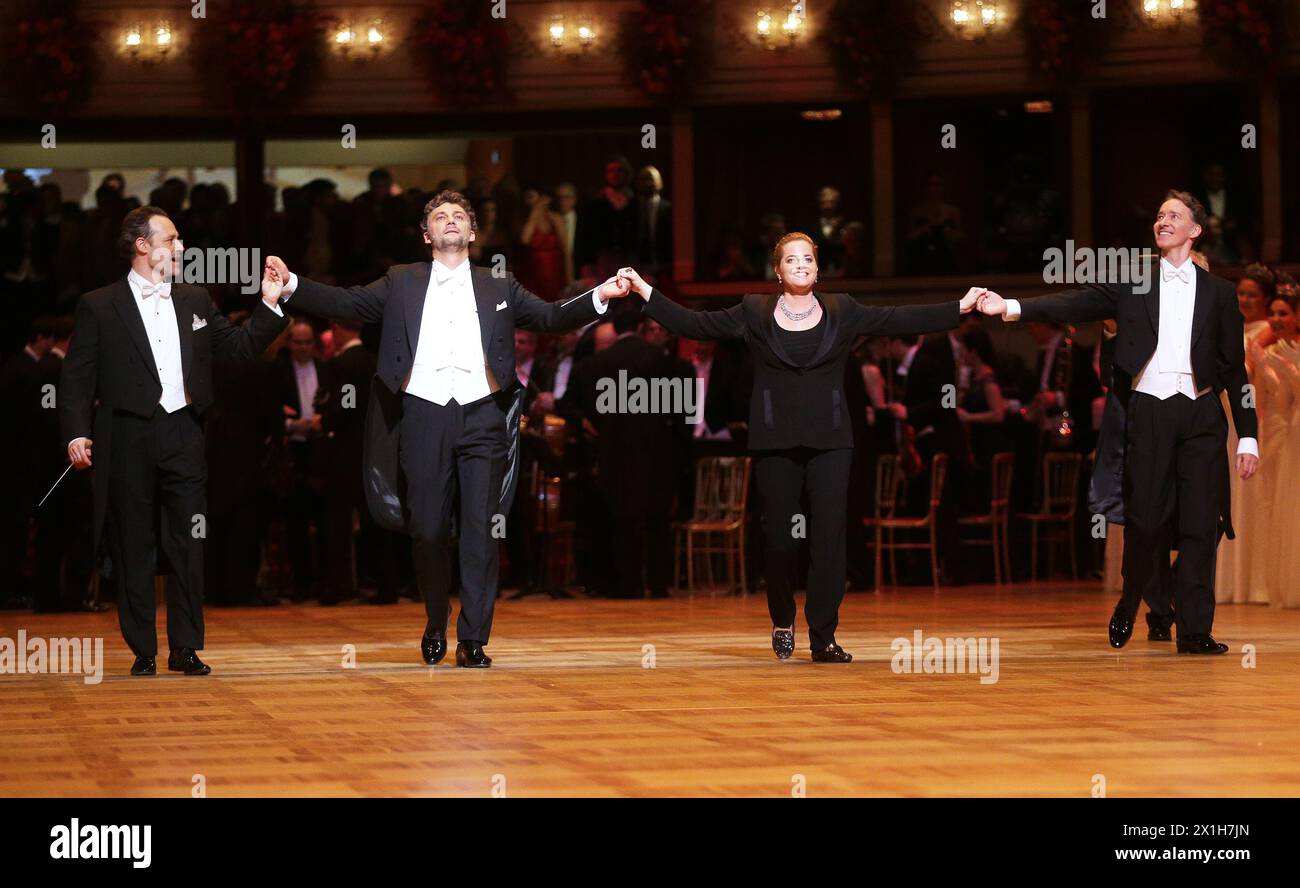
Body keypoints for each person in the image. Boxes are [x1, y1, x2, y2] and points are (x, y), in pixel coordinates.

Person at [264, 191, 632, 668]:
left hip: (482, 414)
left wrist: (599, 294)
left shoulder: (499, 283)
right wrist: (291, 282)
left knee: (481, 529)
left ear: (473, 233)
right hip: (421, 413)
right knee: (429, 528)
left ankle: (473, 638)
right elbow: (347, 302)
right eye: (441, 216)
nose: (451, 221)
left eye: (460, 216)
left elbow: (549, 316)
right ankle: (437, 618)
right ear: (427, 235)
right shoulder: (401, 281)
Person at [618, 234, 981, 661]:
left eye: (808, 258)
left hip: (831, 441)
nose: (802, 264)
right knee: (781, 541)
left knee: (829, 539)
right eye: (792, 259)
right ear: (778, 270)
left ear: (817, 267)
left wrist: (958, 307)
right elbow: (697, 326)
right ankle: (782, 618)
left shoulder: (843, 309)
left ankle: (823, 636)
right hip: (776, 441)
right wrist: (646, 291)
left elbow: (896, 318)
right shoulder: (754, 310)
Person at [976, 191, 1259, 655]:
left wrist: (1248, 434)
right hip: (1149, 410)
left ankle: (1194, 631)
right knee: (1146, 520)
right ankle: (1132, 601)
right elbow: (1073, 304)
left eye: (1174, 215)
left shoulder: (1220, 293)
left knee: (1200, 523)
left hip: (1202, 413)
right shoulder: (1133, 283)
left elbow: (1234, 370)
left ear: (1195, 231)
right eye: (1160, 214)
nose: (1163, 220)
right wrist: (1010, 307)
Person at [60, 206, 289, 676]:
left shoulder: (194, 300)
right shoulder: (100, 304)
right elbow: (77, 378)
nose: (180, 247)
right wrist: (77, 432)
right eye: (171, 238)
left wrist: (268, 302)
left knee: (188, 541)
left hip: (184, 431)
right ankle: (143, 649)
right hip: (126, 434)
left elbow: (242, 348)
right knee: (134, 543)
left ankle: (186, 646)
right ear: (142, 245)